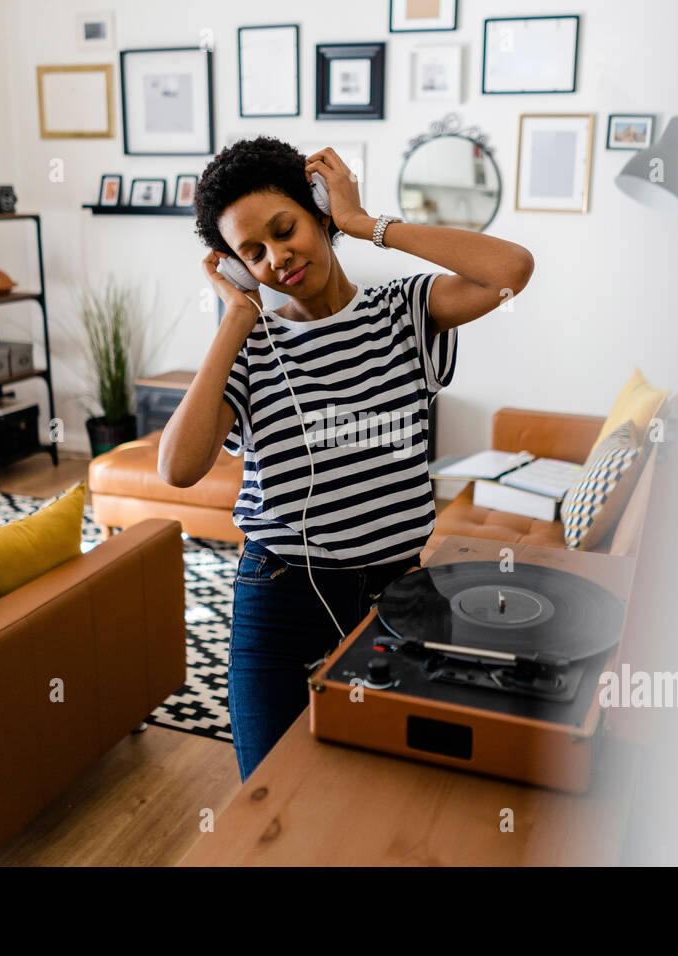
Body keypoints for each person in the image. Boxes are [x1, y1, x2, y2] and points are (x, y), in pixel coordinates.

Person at [159, 136, 535, 782]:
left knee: (396, 788)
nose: (278, 258)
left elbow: (511, 271)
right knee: (270, 797)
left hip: (401, 593)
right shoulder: (251, 345)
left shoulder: (406, 312)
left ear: (317, 212)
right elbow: (178, 468)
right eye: (254, 252)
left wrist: (366, 224)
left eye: (285, 230)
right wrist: (235, 317)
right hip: (279, 599)